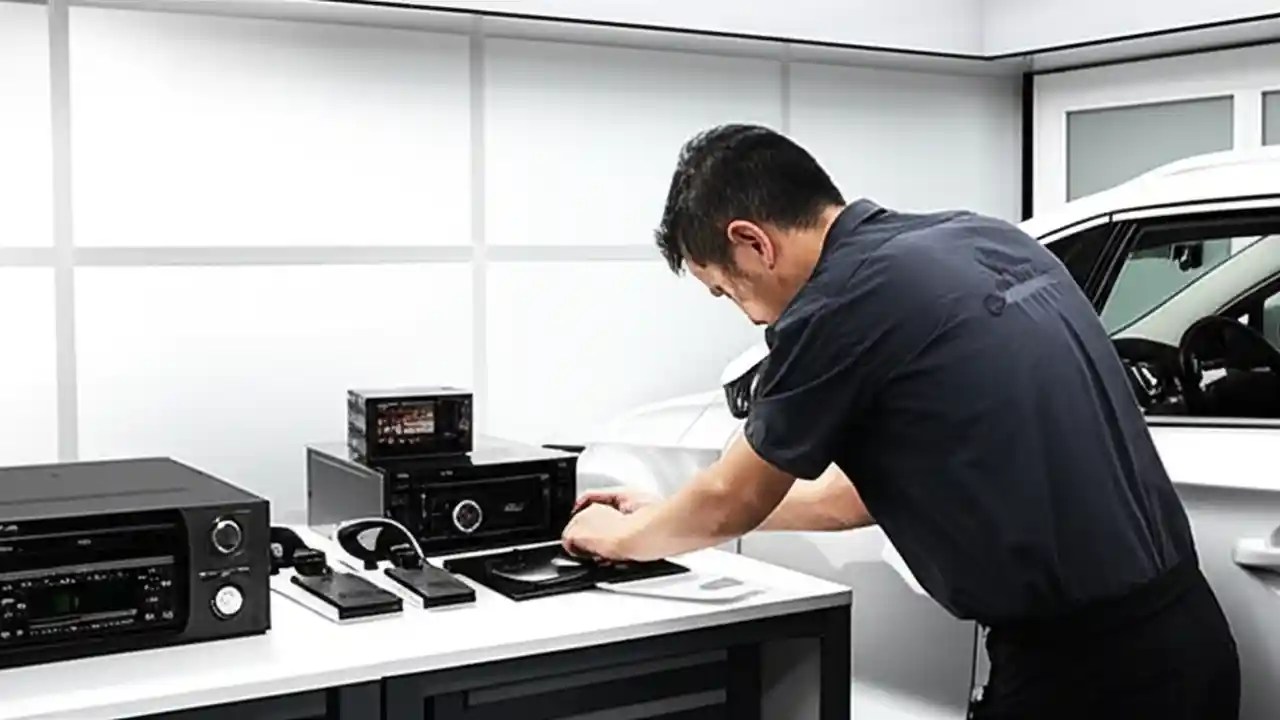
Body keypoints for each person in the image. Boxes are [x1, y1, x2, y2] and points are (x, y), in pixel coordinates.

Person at [560, 124, 1240, 718]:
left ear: (751, 242)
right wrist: (666, 511)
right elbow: (852, 500)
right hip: (1193, 641)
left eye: (725, 288)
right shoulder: (984, 236)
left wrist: (619, 540)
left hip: (1086, 678)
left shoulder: (840, 304)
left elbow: (731, 498)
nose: (746, 312)